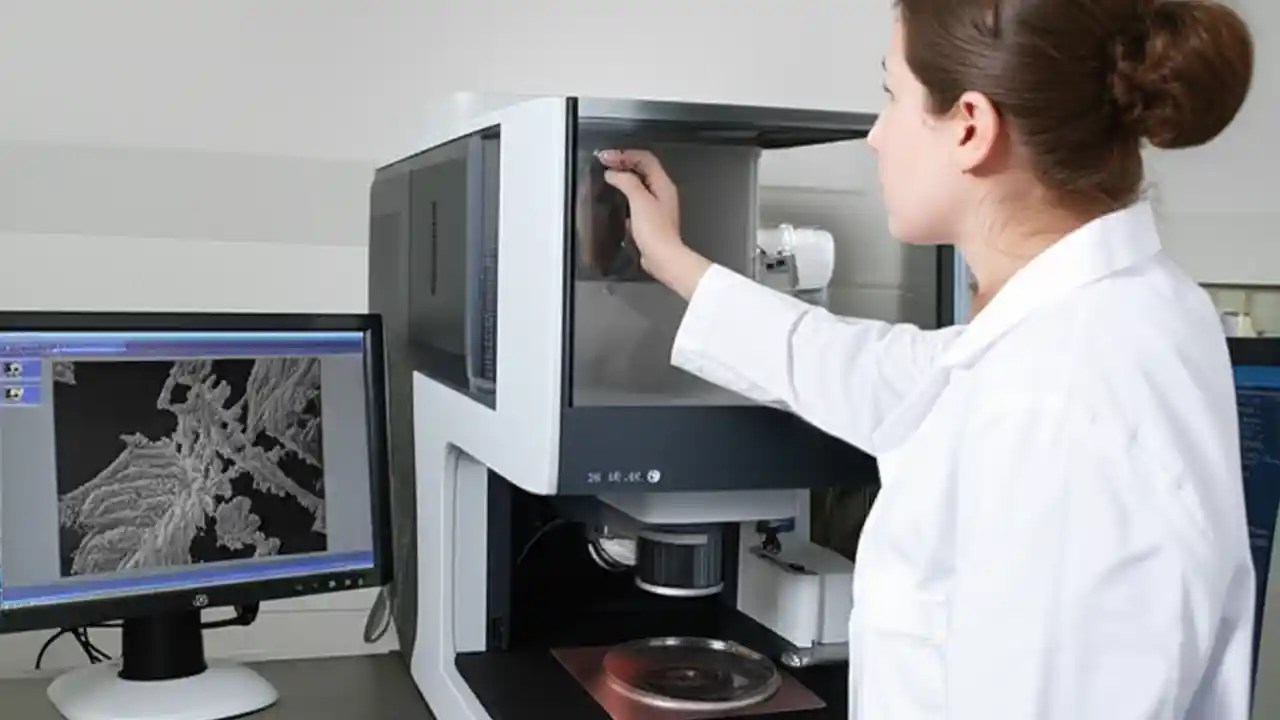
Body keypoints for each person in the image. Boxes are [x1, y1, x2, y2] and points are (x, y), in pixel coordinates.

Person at [597, 0, 1256, 717]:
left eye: (893, 95)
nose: (877, 136)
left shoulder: (1061, 409)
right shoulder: (1114, 313)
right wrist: (675, 263)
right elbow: (881, 371)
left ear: (970, 127)